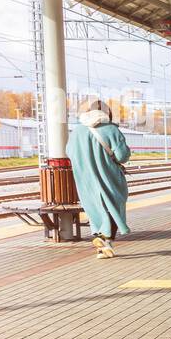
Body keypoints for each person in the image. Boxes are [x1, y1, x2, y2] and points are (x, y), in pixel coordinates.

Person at [66, 99, 130, 258]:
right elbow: (122, 156)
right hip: (108, 176)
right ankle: (104, 239)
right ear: (107, 113)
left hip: (84, 179)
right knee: (114, 205)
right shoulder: (111, 129)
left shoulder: (77, 131)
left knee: (95, 207)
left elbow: (69, 152)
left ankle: (102, 245)